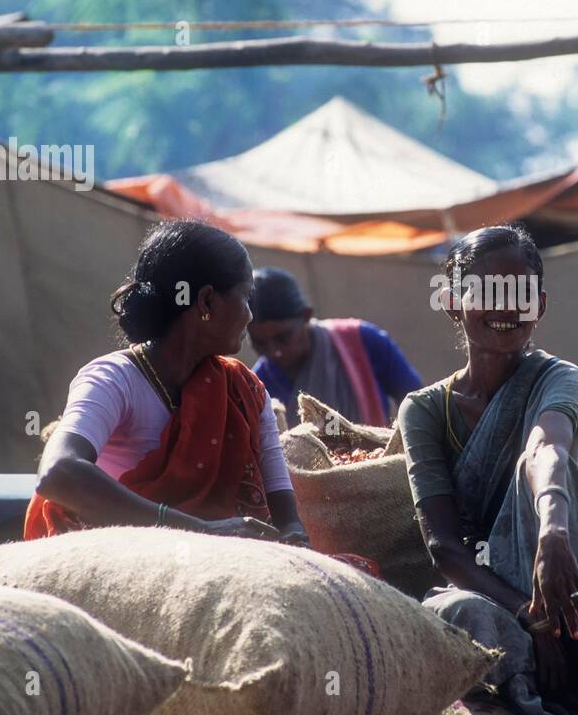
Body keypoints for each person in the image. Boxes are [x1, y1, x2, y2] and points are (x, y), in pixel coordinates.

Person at [396, 225, 578, 715]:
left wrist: (552, 534)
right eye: (487, 291)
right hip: (495, 598)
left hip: (572, 586)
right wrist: (528, 616)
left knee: (546, 473)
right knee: (457, 613)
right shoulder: (425, 410)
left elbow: (546, 447)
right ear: (452, 303)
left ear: (540, 304)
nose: (505, 306)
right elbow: (444, 548)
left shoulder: (557, 377)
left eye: (519, 293)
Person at [29, 220, 308, 545]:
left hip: (226, 561)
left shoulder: (245, 390)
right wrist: (198, 530)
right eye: (245, 297)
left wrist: (294, 537)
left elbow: (285, 513)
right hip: (125, 558)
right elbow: (58, 474)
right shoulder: (113, 380)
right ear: (206, 303)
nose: (249, 315)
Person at [248, 267, 421, 428]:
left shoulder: (362, 341)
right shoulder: (258, 386)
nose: (274, 351)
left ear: (306, 316)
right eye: (260, 343)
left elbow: (417, 402)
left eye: (283, 338)